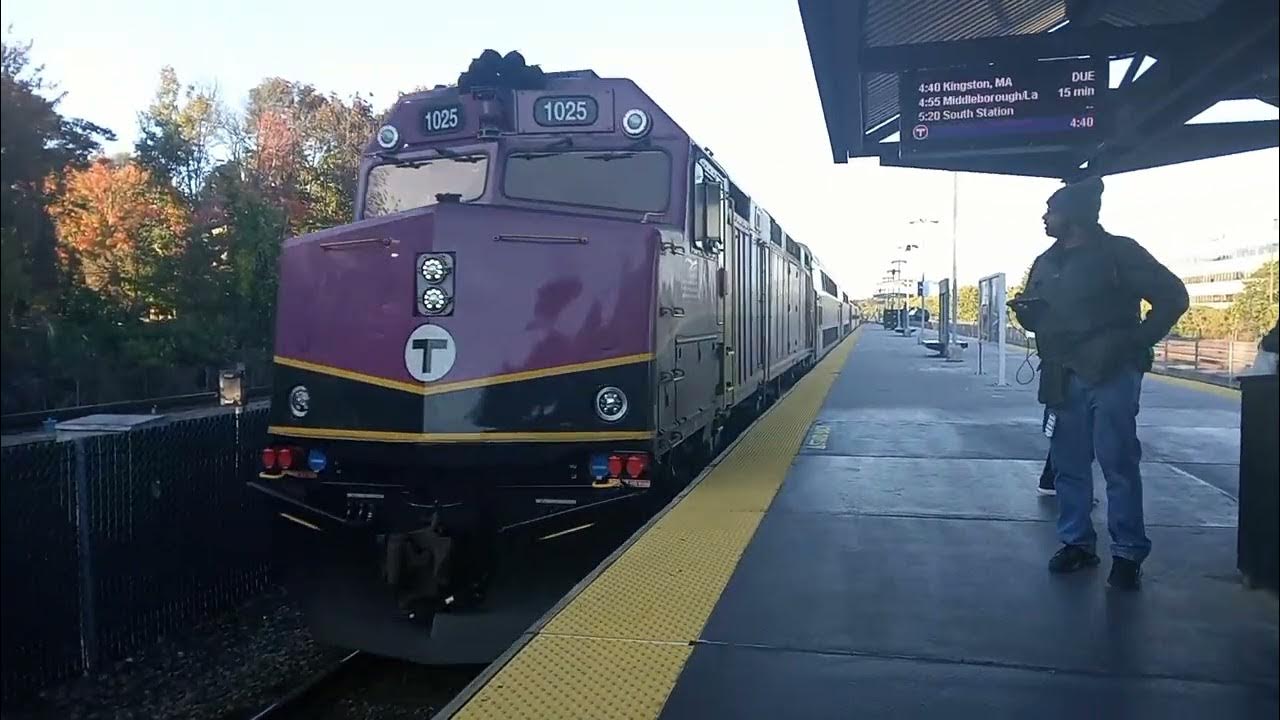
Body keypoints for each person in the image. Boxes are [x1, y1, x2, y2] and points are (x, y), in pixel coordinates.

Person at [1010, 176, 1188, 591]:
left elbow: (1173, 297)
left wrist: (1135, 342)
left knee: (1118, 462)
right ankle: (1077, 543)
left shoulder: (1119, 252)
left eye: (1051, 210)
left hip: (1110, 374)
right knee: (1069, 466)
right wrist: (1027, 314)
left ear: (1073, 215)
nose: (1043, 217)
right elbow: (1041, 313)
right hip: (1060, 374)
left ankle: (1127, 553)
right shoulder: (1045, 261)